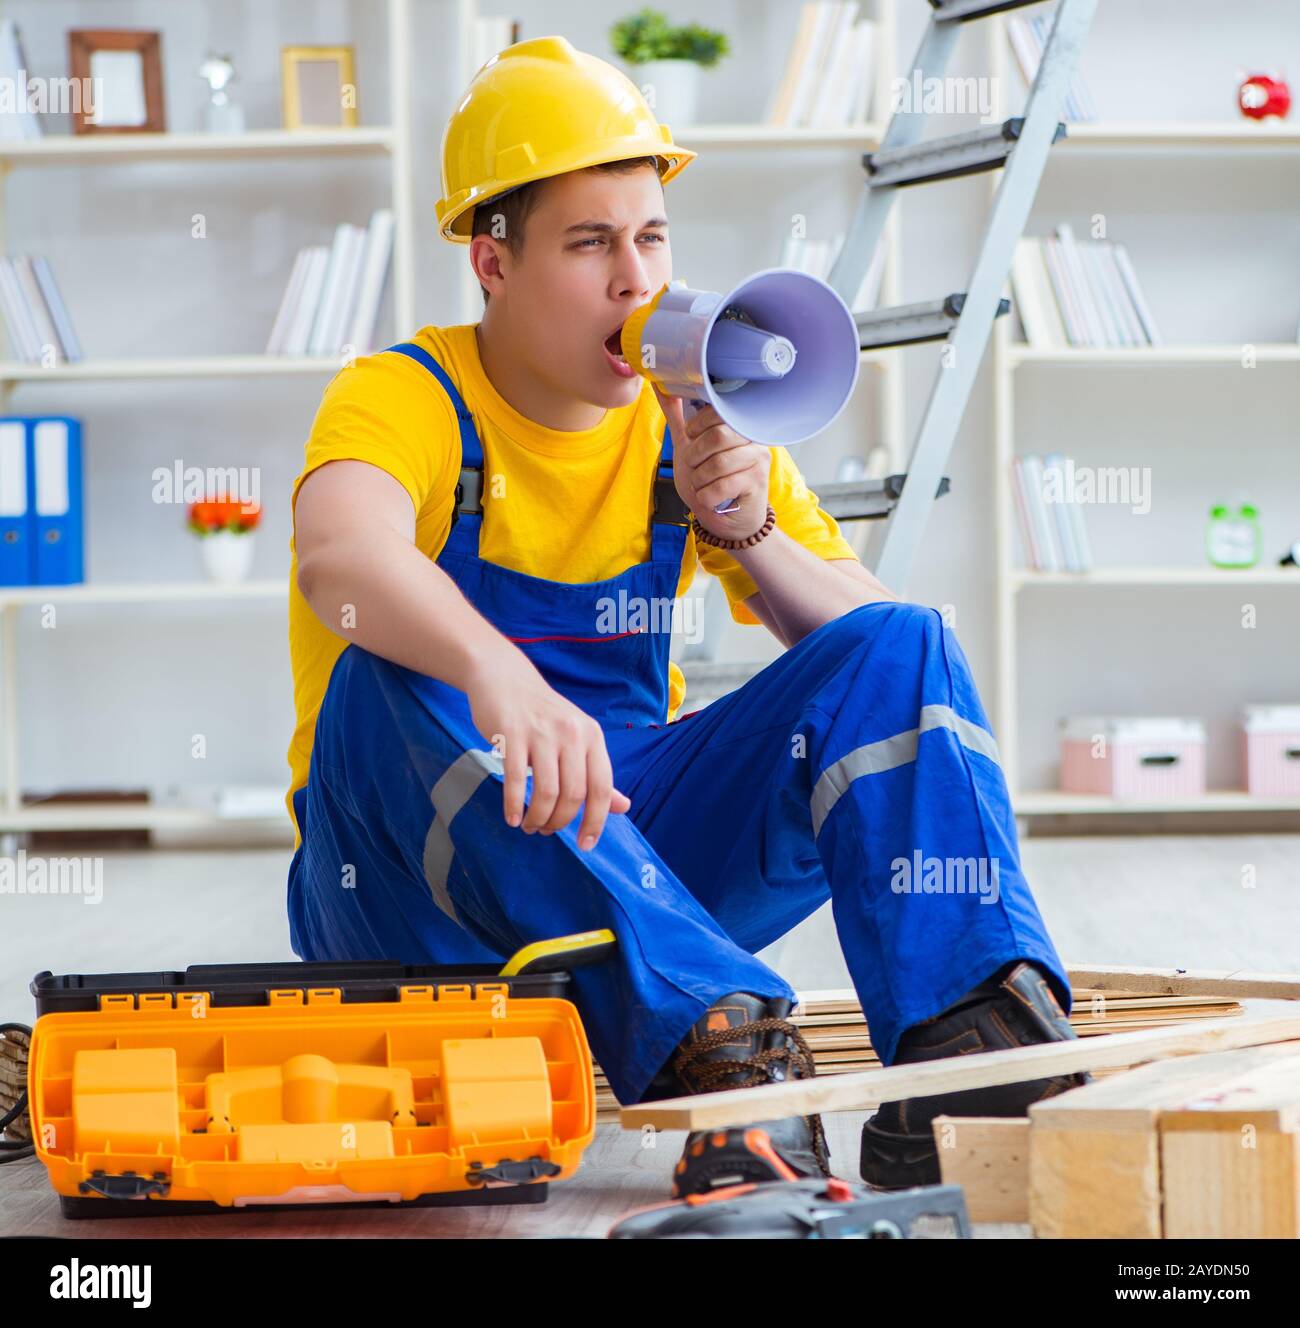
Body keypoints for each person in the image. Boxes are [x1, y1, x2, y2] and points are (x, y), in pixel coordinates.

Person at [286, 35, 1084, 1197]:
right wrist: (496, 670)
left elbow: (880, 641)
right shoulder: (404, 393)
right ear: (490, 260)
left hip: (621, 860)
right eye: (589, 243)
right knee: (387, 671)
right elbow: (338, 559)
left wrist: (750, 526)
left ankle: (959, 1057)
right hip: (413, 886)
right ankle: (723, 1040)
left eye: (651, 237)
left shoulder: (686, 417)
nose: (634, 281)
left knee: (904, 639)